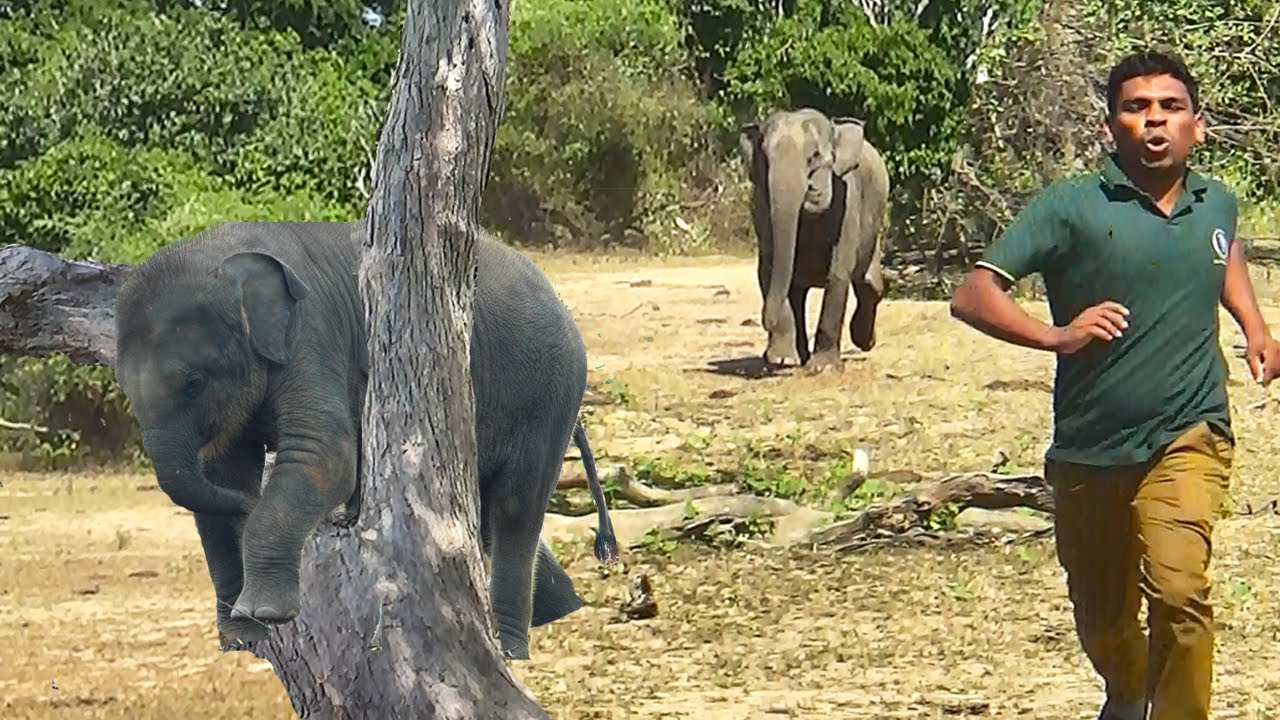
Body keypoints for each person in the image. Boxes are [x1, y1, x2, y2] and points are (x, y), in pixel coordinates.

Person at [949, 50, 1279, 720]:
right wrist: (1056, 335)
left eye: (1169, 107)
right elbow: (972, 294)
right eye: (1135, 108)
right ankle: (1127, 694)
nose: (1153, 121)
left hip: (1189, 431)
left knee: (1180, 588)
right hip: (1089, 448)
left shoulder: (1217, 201)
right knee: (1102, 615)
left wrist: (1255, 324)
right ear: (1110, 127)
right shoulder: (1069, 207)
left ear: (1198, 126)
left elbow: (1225, 249)